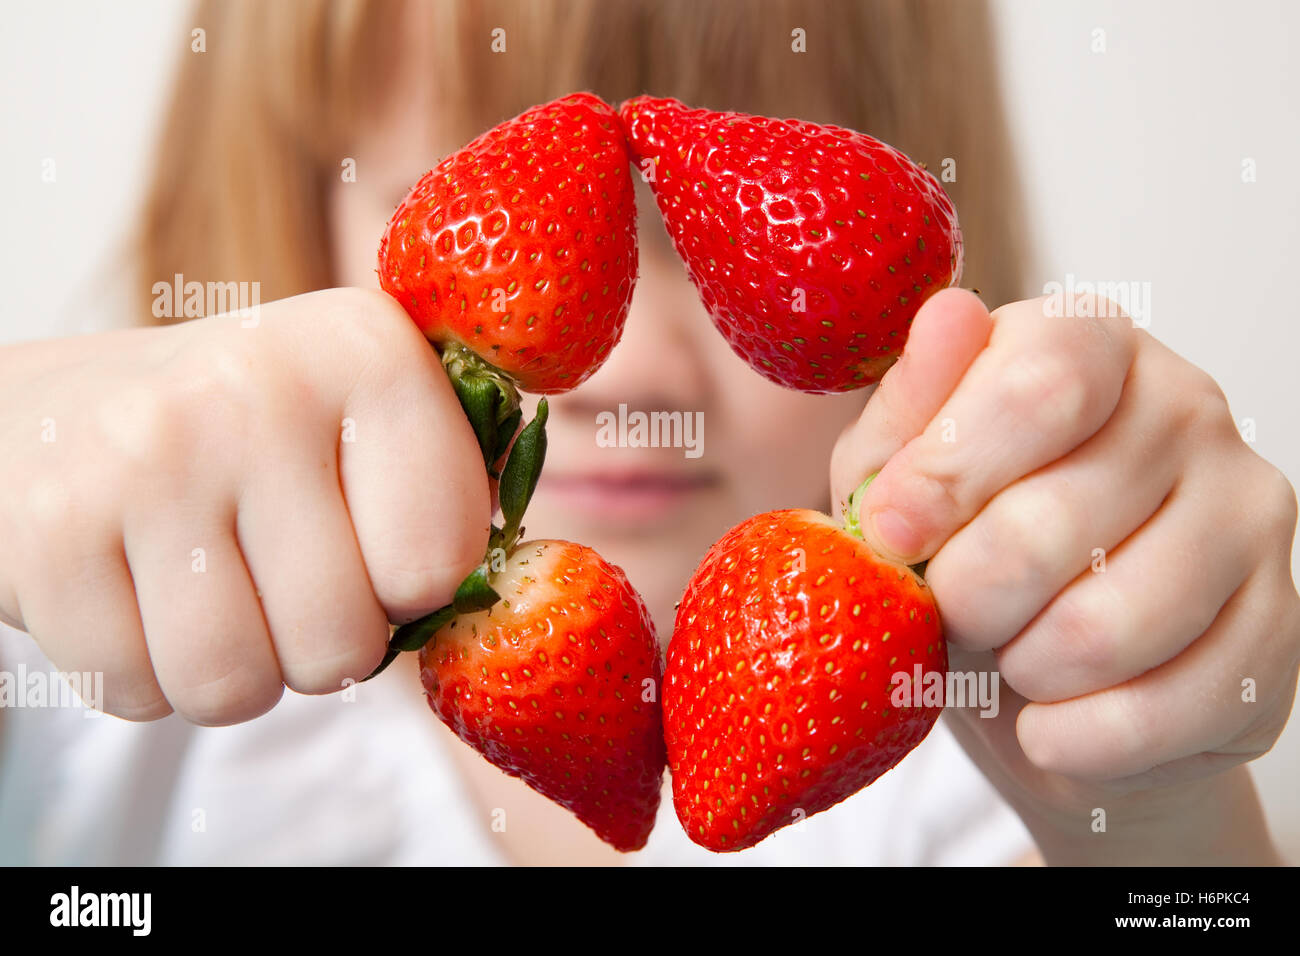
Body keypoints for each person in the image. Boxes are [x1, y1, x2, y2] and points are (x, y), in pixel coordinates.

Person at [0, 0, 1294, 865]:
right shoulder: (96, 703)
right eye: (586, 252)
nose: (631, 379)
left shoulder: (973, 781)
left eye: (724, 260)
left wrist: (1163, 804)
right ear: (296, 232)